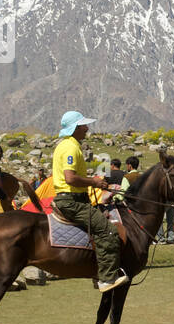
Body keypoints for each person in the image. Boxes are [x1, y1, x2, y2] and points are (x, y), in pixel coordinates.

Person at [52, 111, 127, 292]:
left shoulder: (67, 146)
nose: (87, 128)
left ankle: (97, 271)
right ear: (76, 128)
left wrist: (92, 180)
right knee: (107, 230)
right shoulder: (71, 147)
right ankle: (107, 279)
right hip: (71, 200)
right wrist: (93, 181)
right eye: (84, 125)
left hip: (76, 198)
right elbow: (70, 178)